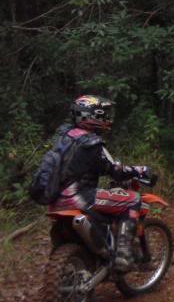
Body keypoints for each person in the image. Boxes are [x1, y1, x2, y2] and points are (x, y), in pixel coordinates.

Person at [49, 95, 149, 271]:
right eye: (103, 113)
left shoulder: (63, 138)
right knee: (133, 199)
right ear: (91, 116)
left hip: (56, 200)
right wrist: (139, 170)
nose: (107, 118)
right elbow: (116, 171)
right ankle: (123, 256)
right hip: (79, 197)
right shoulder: (91, 142)